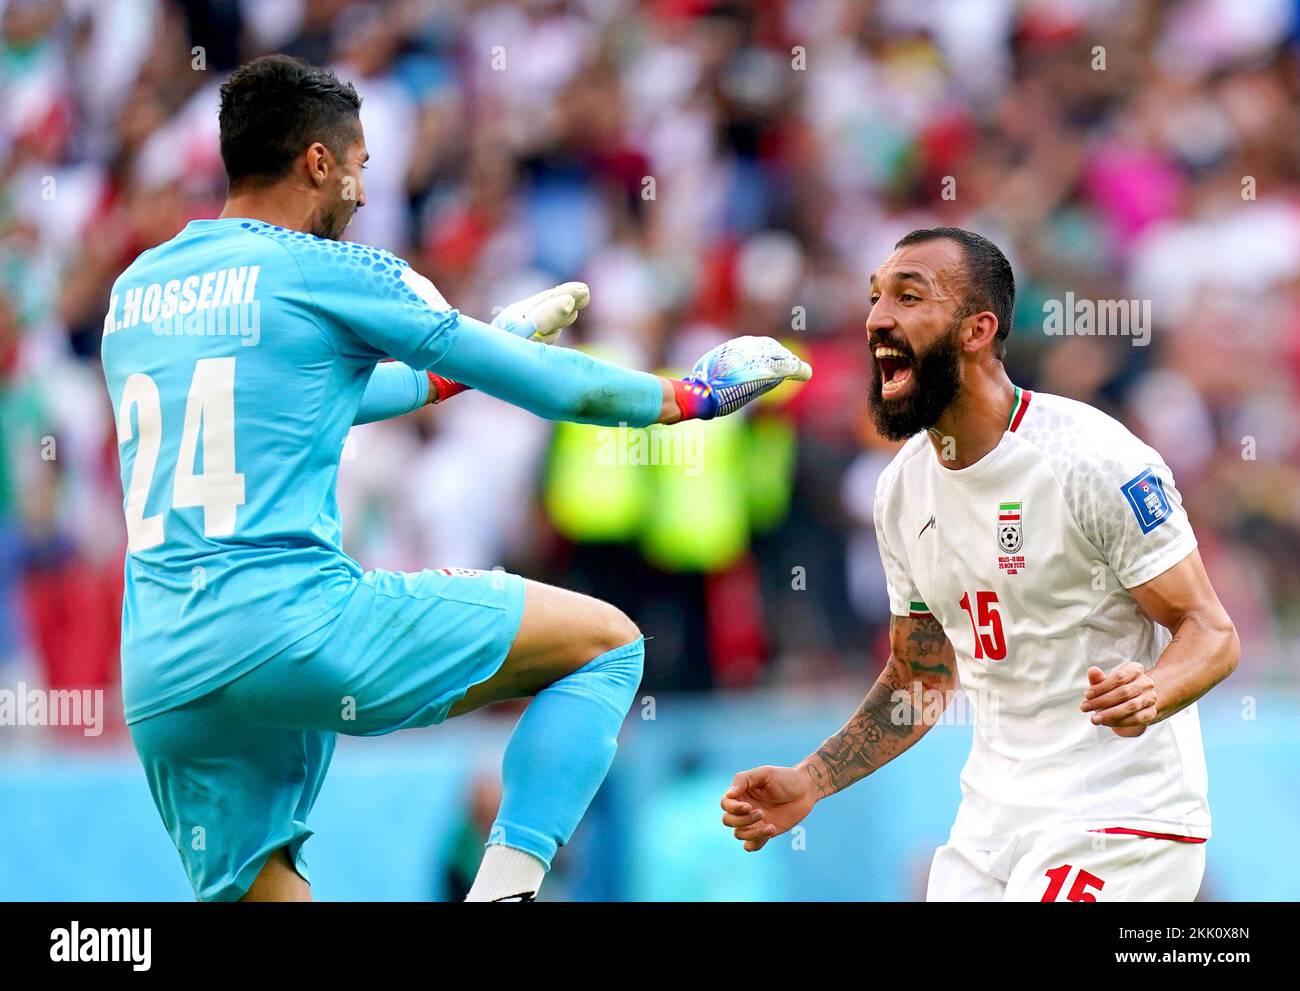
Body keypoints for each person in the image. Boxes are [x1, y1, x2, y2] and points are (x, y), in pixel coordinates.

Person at [102, 54, 809, 903]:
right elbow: (546, 385)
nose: (362, 192)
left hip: (162, 668)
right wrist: (686, 397)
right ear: (319, 162)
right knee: (606, 644)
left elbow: (313, 400)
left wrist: (472, 355)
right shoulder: (325, 269)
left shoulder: (135, 291)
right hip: (290, 625)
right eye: (359, 167)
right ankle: (505, 892)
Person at [720, 227, 1237, 902]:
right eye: (875, 297)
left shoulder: (1092, 459)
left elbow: (1211, 631)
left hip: (1120, 818)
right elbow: (921, 677)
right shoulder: (901, 488)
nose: (877, 317)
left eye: (909, 296)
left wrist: (1153, 690)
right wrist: (812, 779)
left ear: (976, 329)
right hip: (990, 826)